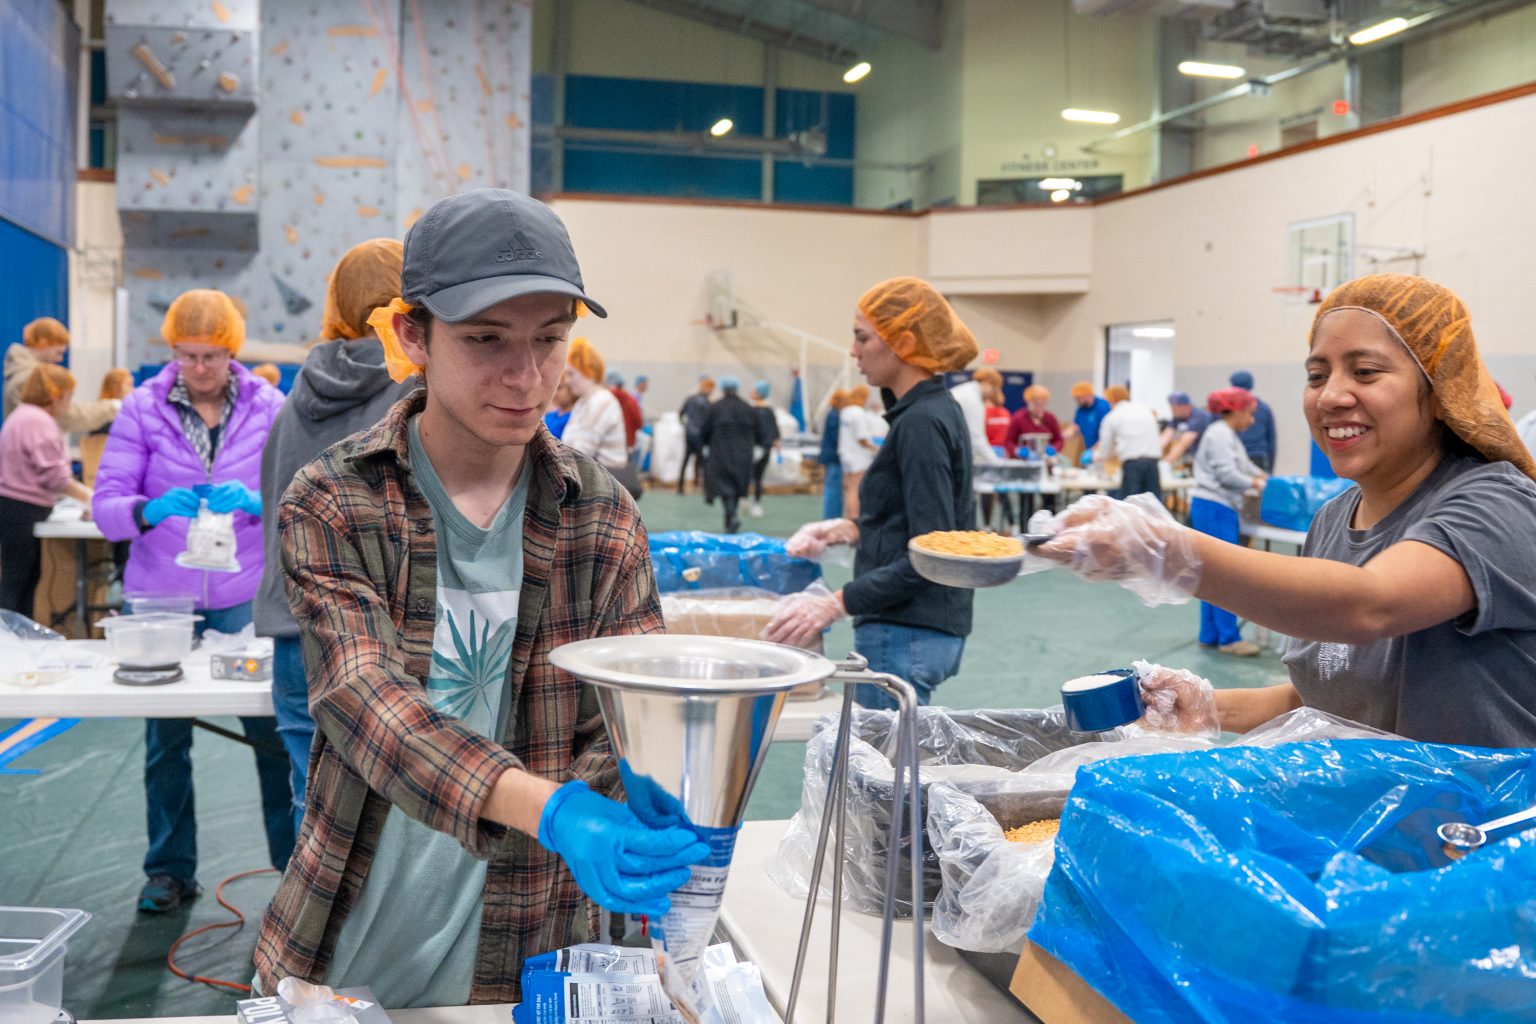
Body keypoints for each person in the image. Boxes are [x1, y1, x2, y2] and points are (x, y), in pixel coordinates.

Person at [254, 189, 707, 1005]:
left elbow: (630, 712)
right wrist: (554, 811)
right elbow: (367, 702)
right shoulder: (336, 500)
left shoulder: (600, 513)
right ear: (411, 336)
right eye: (485, 339)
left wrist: (638, 807)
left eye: (550, 339)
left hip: (529, 950)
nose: (526, 376)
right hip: (352, 949)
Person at [1035, 274, 1536, 748]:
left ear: (1441, 390)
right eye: (1317, 376)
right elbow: (1324, 701)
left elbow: (1371, 606)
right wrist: (1206, 706)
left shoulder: (1497, 503)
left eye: (1365, 372)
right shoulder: (1334, 521)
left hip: (1483, 810)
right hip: (1371, 806)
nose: (1331, 396)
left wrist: (1166, 550)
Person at [92, 289, 292, 913]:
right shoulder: (141, 408)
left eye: (211, 355)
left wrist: (260, 501)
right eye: (186, 355)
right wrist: (147, 511)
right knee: (166, 744)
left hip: (244, 595)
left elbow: (300, 494)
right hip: (162, 602)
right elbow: (106, 508)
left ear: (232, 352)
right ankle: (169, 871)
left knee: (273, 737)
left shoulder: (270, 406)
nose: (198, 368)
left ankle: (293, 873)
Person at [256, 238, 414, 835]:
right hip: (384, 629)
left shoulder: (296, 400)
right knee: (401, 825)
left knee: (315, 811)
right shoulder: (418, 393)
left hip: (295, 629)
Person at [768, 277, 978, 709]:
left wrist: (836, 603)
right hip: (917, 626)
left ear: (903, 342)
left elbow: (933, 553)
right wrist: (851, 529)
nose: (853, 351)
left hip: (905, 627)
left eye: (862, 338)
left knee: (884, 754)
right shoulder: (927, 412)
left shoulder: (922, 422)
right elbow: (916, 521)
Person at [0, 365, 92, 617]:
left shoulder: (24, 416)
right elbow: (56, 477)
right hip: (21, 508)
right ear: (56, 396)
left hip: (15, 506)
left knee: (23, 578)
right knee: (17, 580)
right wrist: (91, 499)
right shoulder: (36, 421)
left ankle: (17, 633)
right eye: (68, 398)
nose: (68, 406)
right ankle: (8, 634)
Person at [1189, 387, 1269, 656]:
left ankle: (1209, 634)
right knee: (1225, 576)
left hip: (1217, 506)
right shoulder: (1220, 434)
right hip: (1215, 506)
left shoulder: (1227, 435)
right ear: (1237, 410)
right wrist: (1256, 483)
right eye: (1249, 413)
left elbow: (1244, 466)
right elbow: (1227, 474)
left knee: (1211, 575)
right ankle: (1228, 638)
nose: (1252, 420)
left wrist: (1267, 478)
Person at [3, 317, 121, 432]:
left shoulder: (19, 374)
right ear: (43, 343)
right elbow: (69, 416)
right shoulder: (29, 379)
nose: (59, 359)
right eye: (58, 352)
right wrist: (112, 407)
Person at [700, 377, 770, 534]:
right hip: (743, 455)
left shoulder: (715, 407)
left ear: (723, 389)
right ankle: (731, 518)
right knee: (737, 486)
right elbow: (760, 432)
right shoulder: (748, 408)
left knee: (725, 488)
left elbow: (704, 430)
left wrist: (704, 446)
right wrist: (758, 448)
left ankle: (731, 515)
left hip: (720, 454)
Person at [560, 338, 627, 473]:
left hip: (607, 477)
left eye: (571, 374)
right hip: (592, 473)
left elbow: (581, 454)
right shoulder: (583, 402)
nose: (567, 381)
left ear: (587, 371)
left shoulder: (601, 401)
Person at [1095, 385, 1164, 501]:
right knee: (1153, 503)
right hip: (1152, 463)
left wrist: (1100, 458)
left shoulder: (1113, 416)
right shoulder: (1144, 410)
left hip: (1132, 464)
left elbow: (1105, 447)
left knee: (1131, 504)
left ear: (1110, 400)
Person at [836, 384, 877, 519]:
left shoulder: (845, 411)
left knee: (848, 488)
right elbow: (862, 438)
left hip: (845, 453)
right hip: (857, 455)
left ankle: (849, 516)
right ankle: (855, 518)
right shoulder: (858, 413)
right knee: (856, 488)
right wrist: (876, 448)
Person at [1229, 370, 1277, 471]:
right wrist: (1270, 469)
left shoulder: (1227, 410)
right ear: (1251, 385)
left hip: (1233, 457)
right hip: (1258, 456)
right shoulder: (1263, 408)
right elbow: (1271, 440)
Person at [748, 380, 781, 517]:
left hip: (760, 448)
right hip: (754, 447)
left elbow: (772, 430)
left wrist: (772, 445)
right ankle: (748, 500)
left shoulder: (765, 411)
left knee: (757, 477)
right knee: (754, 477)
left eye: (754, 390)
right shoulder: (754, 410)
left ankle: (756, 503)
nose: (751, 392)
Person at [677, 376, 714, 493]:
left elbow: (681, 413)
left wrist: (684, 425)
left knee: (686, 459)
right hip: (700, 435)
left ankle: (680, 486)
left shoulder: (690, 398)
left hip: (689, 433)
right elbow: (708, 421)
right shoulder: (707, 402)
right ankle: (705, 487)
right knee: (703, 461)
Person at [1006, 383, 1064, 455]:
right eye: (1036, 404)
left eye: (1042, 404)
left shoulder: (1050, 418)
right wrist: (1017, 450)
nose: (1039, 408)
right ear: (1028, 402)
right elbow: (1008, 442)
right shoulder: (1018, 418)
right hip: (1023, 459)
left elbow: (1059, 440)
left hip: (1046, 457)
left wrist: (1054, 448)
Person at [1162, 391, 1213, 466]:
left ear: (1187, 406)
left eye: (1176, 407)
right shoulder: (1178, 417)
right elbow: (1166, 436)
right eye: (1171, 406)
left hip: (1210, 457)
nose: (1172, 410)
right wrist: (1150, 453)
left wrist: (1164, 464)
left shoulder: (1199, 416)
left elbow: (1183, 443)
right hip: (1196, 455)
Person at [818, 389, 845, 520]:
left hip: (831, 457)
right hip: (834, 458)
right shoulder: (835, 416)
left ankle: (832, 516)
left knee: (833, 488)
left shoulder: (833, 413)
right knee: (833, 489)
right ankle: (831, 517)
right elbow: (836, 438)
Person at [1067, 381, 1111, 451]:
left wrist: (1093, 451)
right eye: (1075, 398)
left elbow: (1108, 434)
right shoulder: (1081, 409)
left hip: (1103, 450)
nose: (1077, 401)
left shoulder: (1103, 407)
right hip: (1090, 448)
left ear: (1089, 395)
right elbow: (1075, 426)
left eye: (1079, 398)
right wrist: (1062, 435)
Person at [607, 371, 643, 450]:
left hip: (607, 446)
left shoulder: (605, 398)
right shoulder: (631, 400)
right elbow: (639, 423)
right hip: (627, 444)